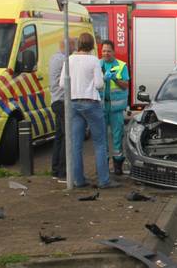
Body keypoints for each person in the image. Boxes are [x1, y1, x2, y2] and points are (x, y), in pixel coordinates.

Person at [61, 32, 119, 189]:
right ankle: (104, 180)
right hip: (91, 103)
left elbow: (62, 84)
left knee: (76, 144)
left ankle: (78, 180)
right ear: (92, 45)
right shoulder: (93, 60)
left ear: (79, 44)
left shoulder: (69, 60)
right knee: (100, 143)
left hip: (73, 104)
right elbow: (99, 84)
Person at [99, 40, 130, 176]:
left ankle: (118, 166)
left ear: (113, 51)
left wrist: (114, 79)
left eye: (108, 51)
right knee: (101, 137)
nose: (106, 53)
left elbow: (125, 85)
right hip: (100, 107)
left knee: (117, 137)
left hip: (116, 109)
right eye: (104, 50)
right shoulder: (97, 65)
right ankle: (103, 166)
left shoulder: (120, 66)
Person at [49, 39, 67, 181]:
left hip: (56, 101)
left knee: (59, 137)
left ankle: (55, 170)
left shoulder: (54, 58)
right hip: (63, 102)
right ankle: (63, 172)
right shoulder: (64, 60)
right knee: (67, 138)